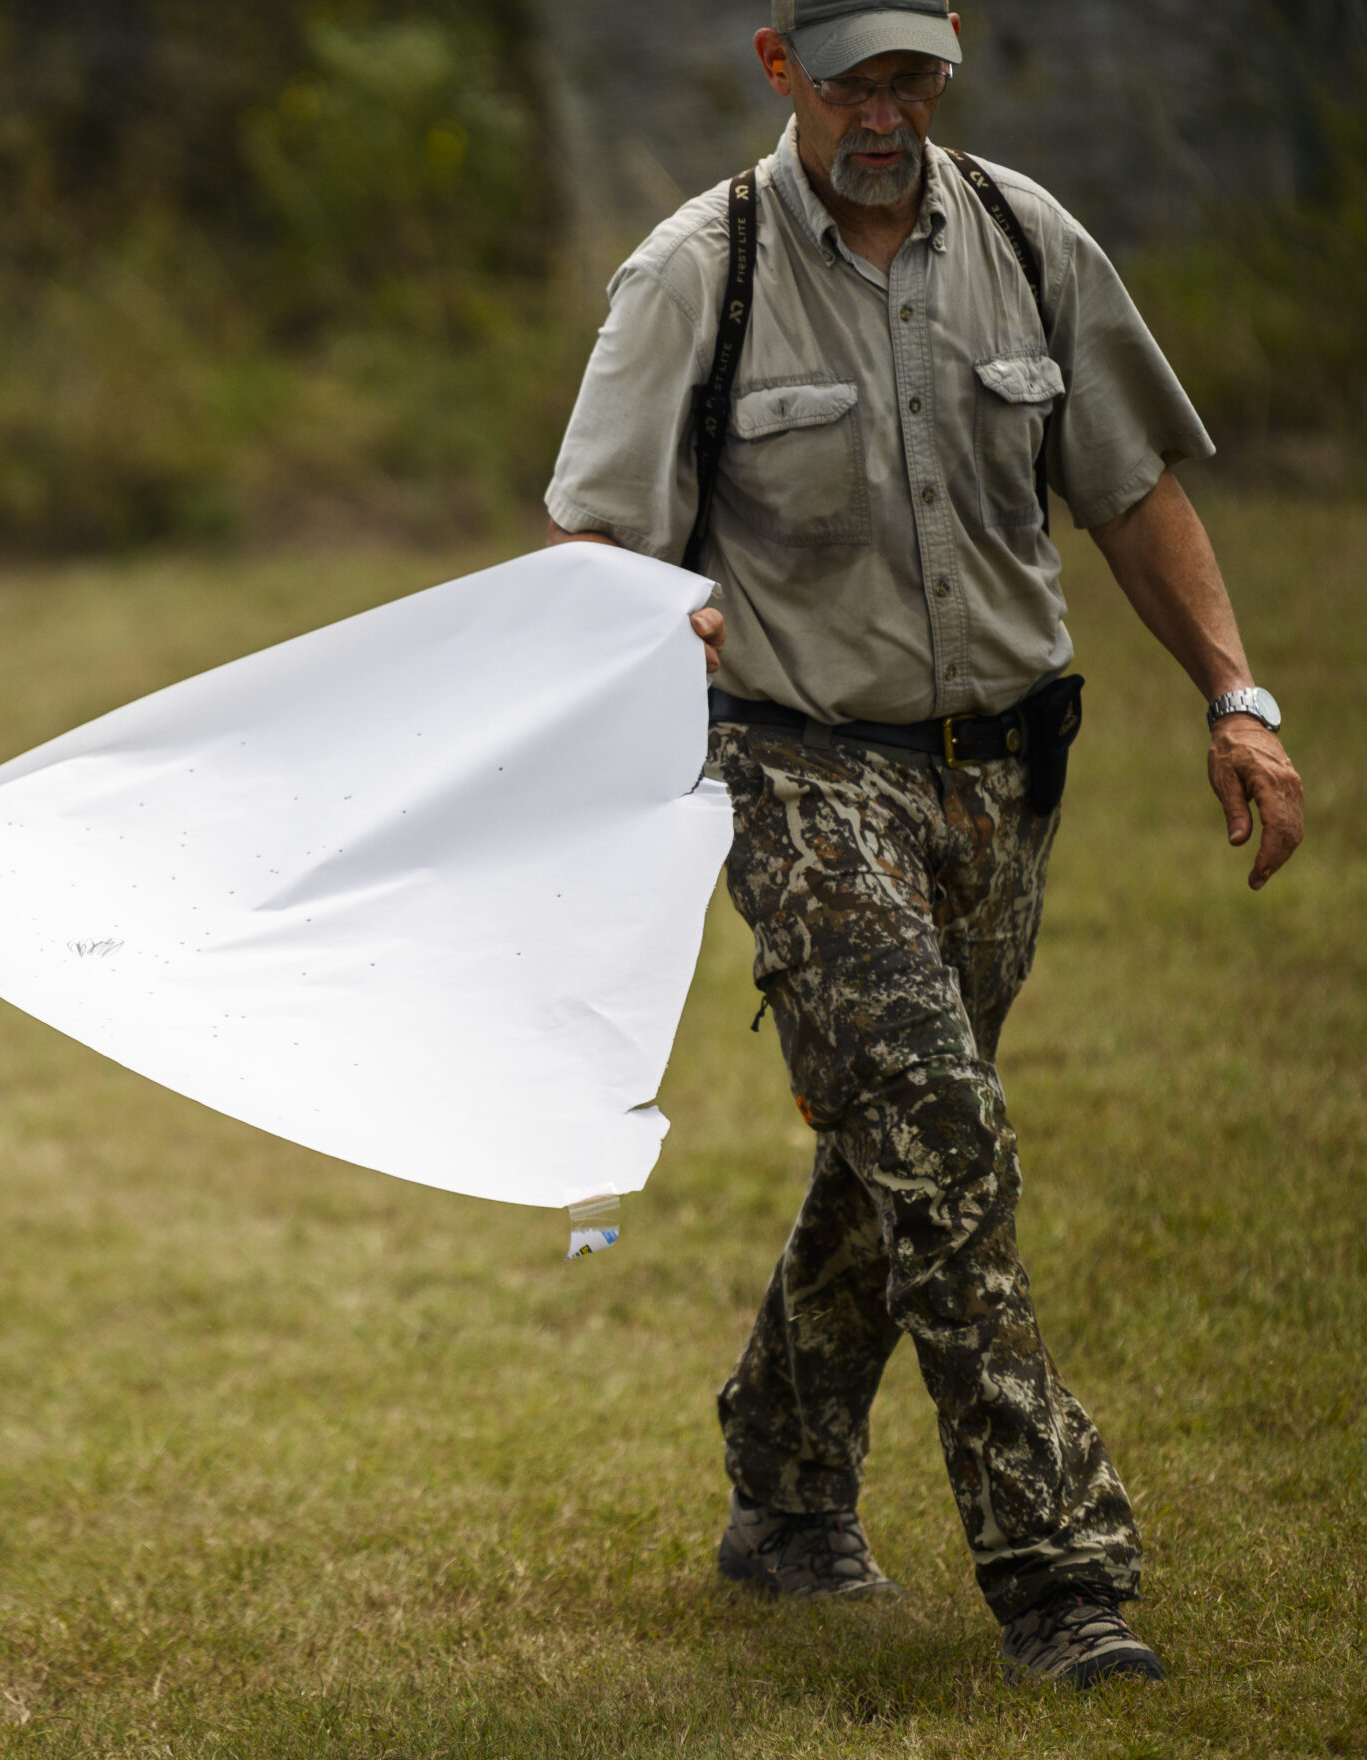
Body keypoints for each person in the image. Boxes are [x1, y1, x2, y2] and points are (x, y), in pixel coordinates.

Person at [543, 0, 1304, 1690]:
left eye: (914, 77)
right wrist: (656, 637)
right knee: (946, 1133)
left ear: (948, 64)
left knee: (898, 1159)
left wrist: (1239, 698)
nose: (884, 112)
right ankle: (1064, 1578)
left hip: (1007, 784)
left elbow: (1129, 488)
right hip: (804, 771)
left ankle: (785, 1476)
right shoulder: (702, 270)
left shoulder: (1033, 244)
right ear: (776, 68)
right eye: (850, 79)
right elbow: (595, 537)